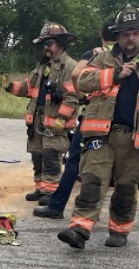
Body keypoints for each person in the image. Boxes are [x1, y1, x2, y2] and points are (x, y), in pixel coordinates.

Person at [59, 5, 139, 250]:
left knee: (126, 187)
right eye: (125, 33)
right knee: (93, 180)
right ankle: (80, 229)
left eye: (135, 32)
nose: (130, 38)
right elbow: (80, 80)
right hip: (101, 135)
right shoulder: (102, 59)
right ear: (118, 35)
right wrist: (114, 74)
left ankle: (119, 229)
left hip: (136, 140)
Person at [33, 21, 117, 220]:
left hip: (94, 118)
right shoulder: (132, 57)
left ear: (100, 34)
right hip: (120, 120)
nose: (46, 48)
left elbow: (76, 77)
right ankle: (117, 223)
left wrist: (82, 100)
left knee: (75, 162)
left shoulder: (95, 54)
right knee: (116, 170)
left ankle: (59, 207)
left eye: (49, 44)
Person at [3, 21, 80, 202]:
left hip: (55, 122)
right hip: (38, 120)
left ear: (60, 43)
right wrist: (9, 86)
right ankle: (40, 188)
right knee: (37, 155)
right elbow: (27, 88)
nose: (46, 48)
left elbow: (72, 96)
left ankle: (51, 192)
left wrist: (62, 118)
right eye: (44, 44)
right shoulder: (42, 66)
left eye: (49, 44)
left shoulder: (70, 66)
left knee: (51, 155)